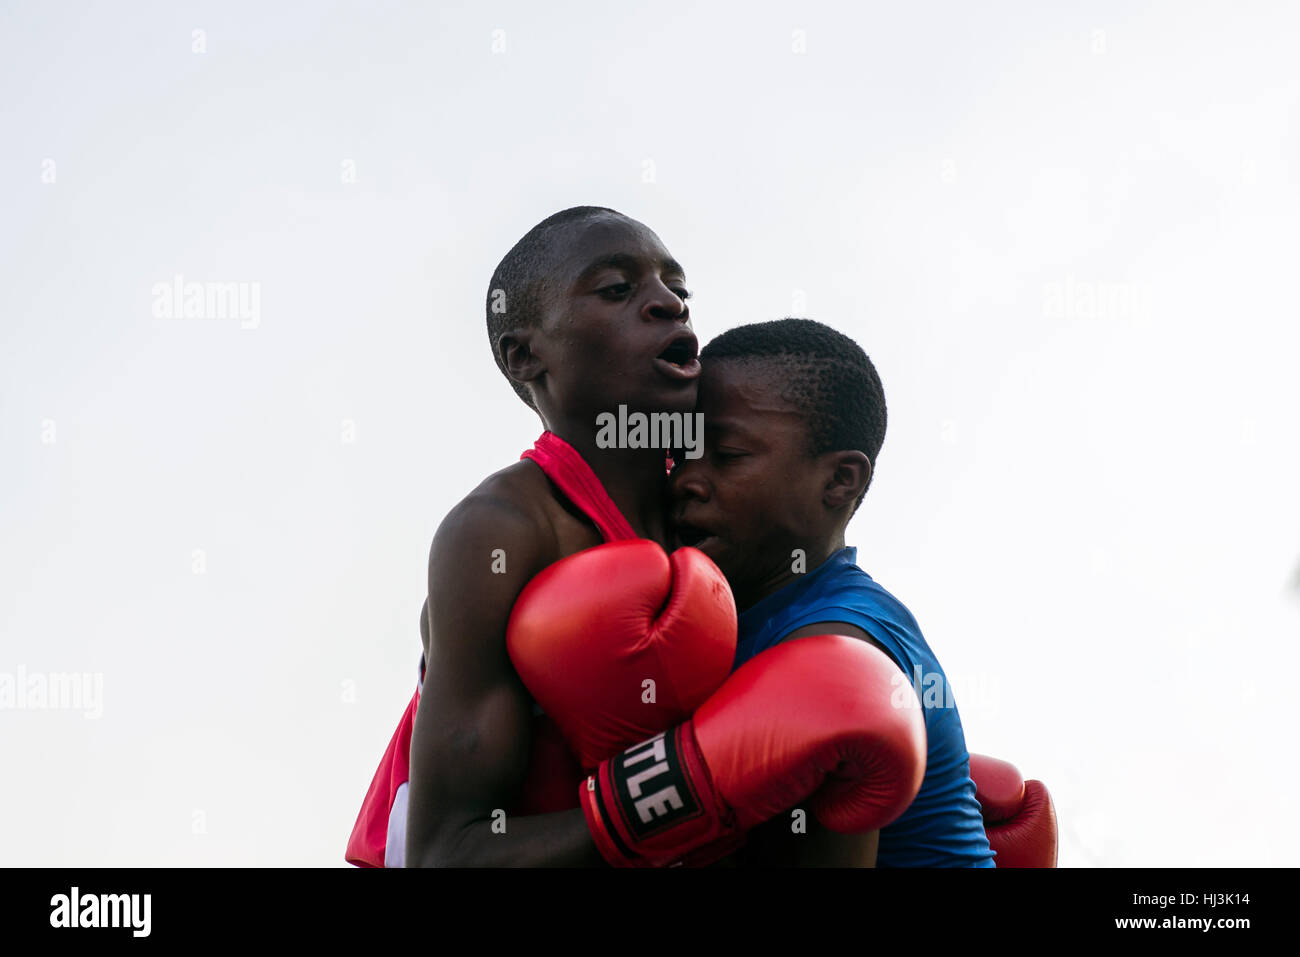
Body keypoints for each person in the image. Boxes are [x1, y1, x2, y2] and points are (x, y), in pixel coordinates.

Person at [669, 317, 997, 867]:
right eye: (680, 454)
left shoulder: (839, 645)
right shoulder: (722, 615)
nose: (686, 479)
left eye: (726, 456)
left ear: (840, 480)